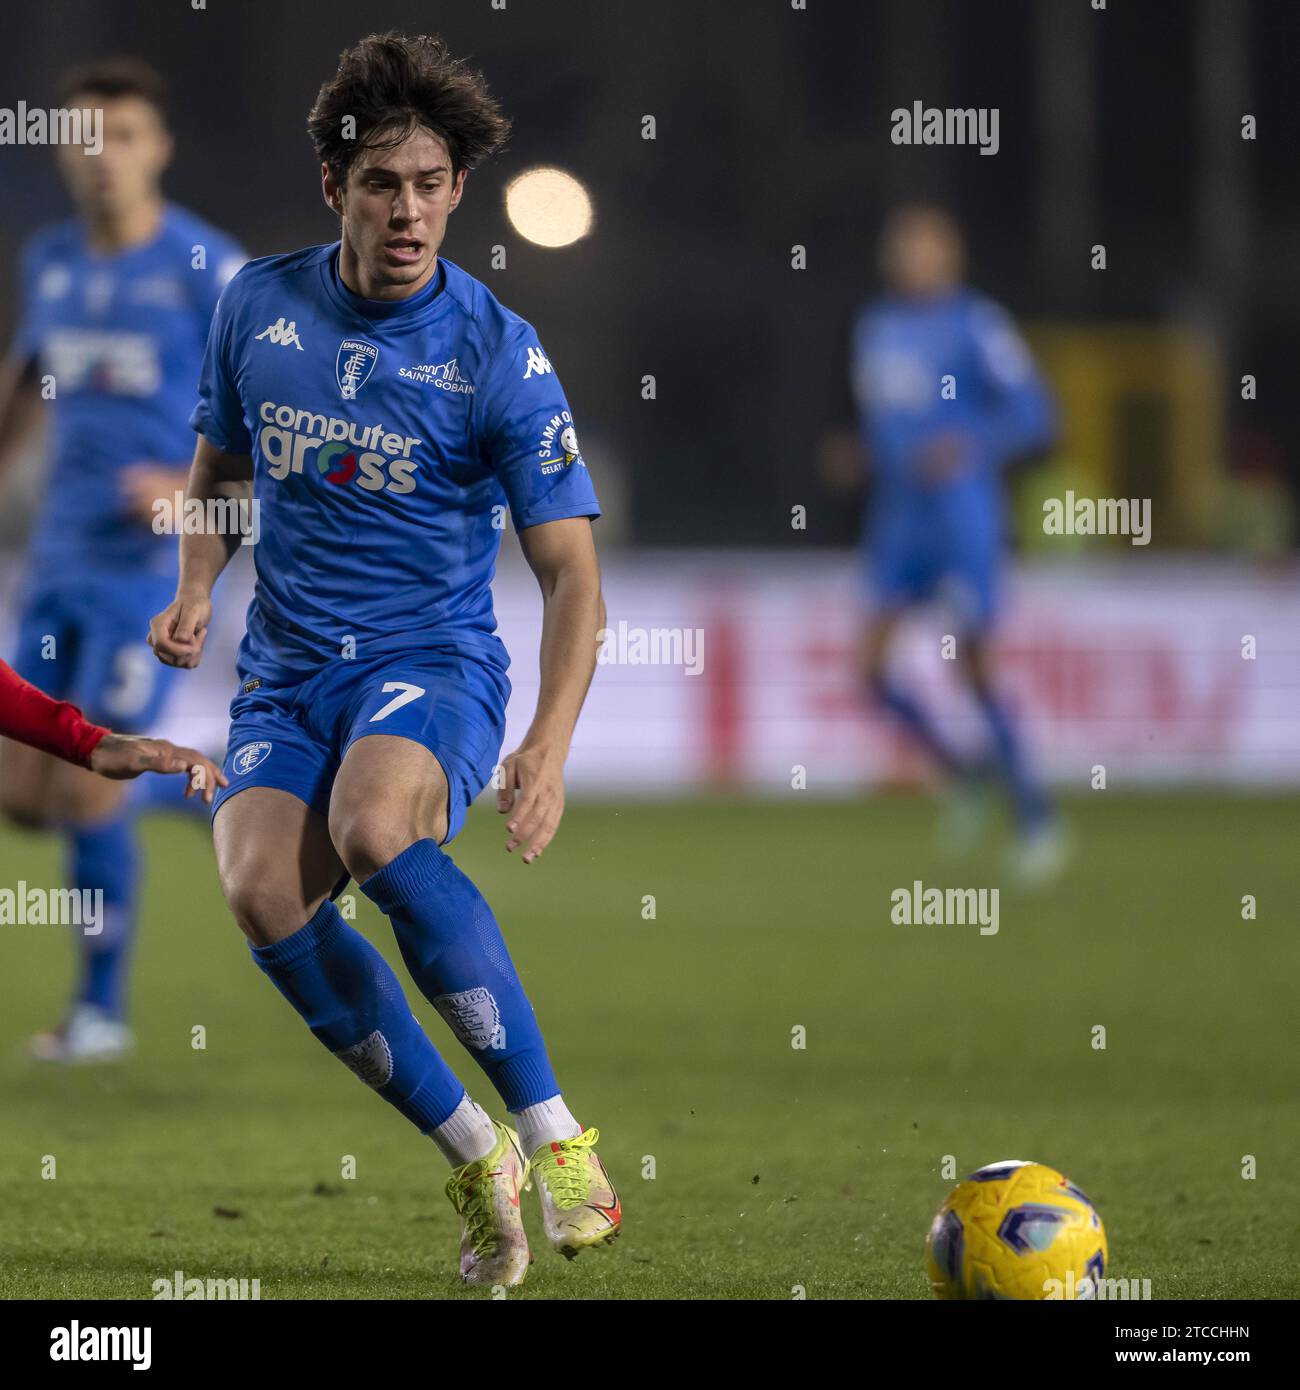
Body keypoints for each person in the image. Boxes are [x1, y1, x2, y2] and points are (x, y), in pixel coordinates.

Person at [149, 31, 618, 1287]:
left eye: (427, 185)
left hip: (434, 663)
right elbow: (220, 468)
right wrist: (197, 582)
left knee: (370, 824)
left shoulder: (496, 354)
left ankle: (554, 1134)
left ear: (458, 191)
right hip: (289, 671)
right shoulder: (256, 304)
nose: (406, 211)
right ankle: (474, 1155)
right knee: (257, 889)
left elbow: (574, 575)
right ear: (334, 189)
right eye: (380, 185)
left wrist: (548, 750)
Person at [0, 57, 244, 1059]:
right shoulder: (51, 261)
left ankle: (99, 1011)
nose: (104, 158)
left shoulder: (208, 268)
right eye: (85, 138)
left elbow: (266, 413)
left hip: (147, 571)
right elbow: (26, 389)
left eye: (125, 137)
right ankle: (197, 778)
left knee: (85, 787)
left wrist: (186, 489)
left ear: (160, 148)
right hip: (56, 555)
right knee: (22, 797)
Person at [832, 204, 1064, 882]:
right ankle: (964, 774)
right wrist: (864, 452)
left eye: (922, 245)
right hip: (900, 519)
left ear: (950, 254)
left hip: (961, 517)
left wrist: (968, 444)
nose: (907, 256)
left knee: (974, 666)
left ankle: (1036, 817)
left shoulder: (976, 323)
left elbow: (1035, 413)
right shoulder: (875, 327)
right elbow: (890, 421)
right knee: (870, 667)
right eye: (899, 245)